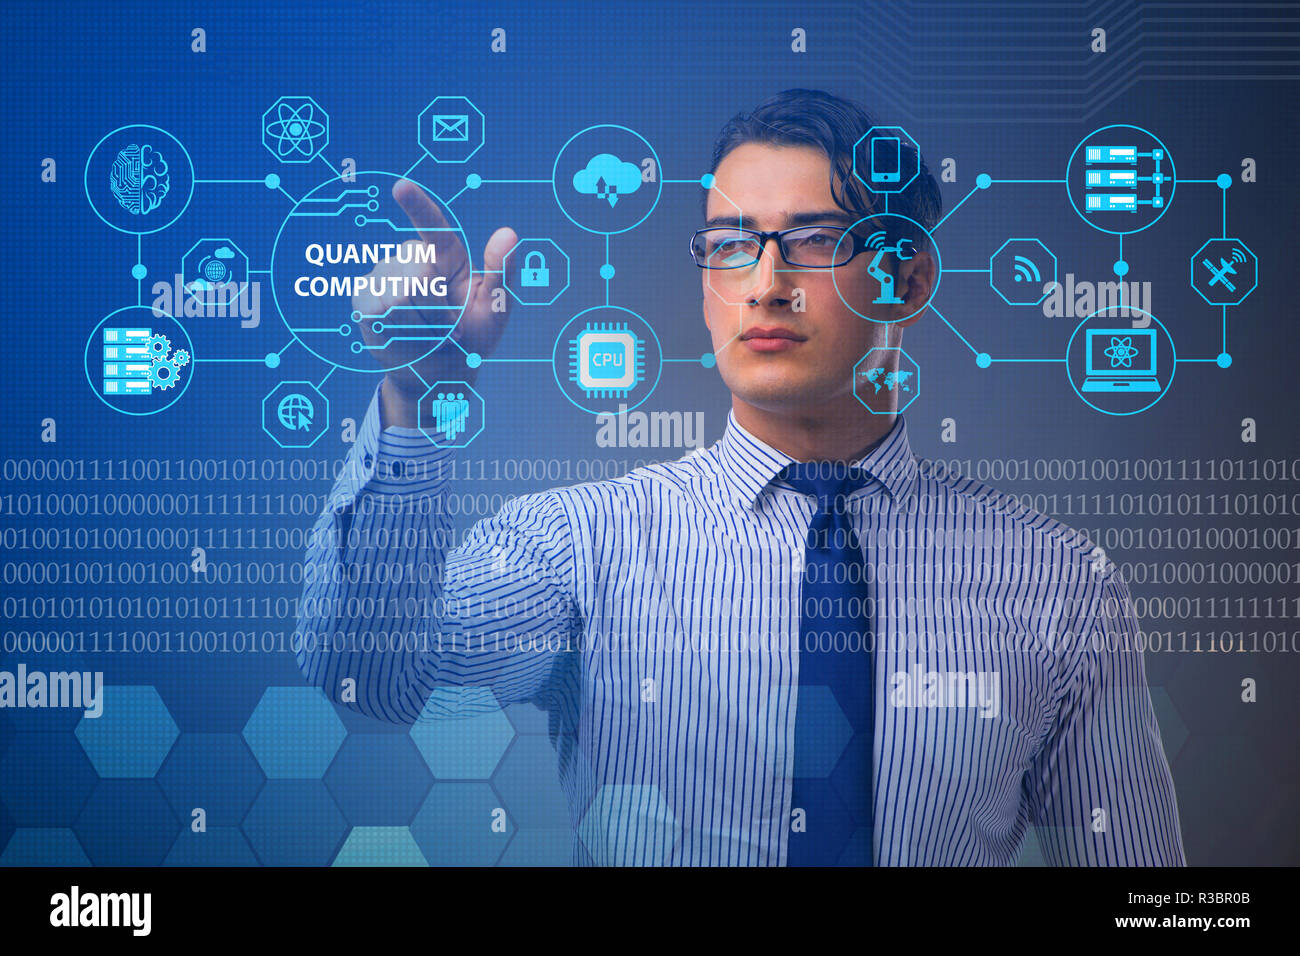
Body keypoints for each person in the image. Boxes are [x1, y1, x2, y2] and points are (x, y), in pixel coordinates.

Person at [296, 88, 1185, 866]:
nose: (765, 284)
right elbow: (368, 674)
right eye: (731, 245)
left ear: (907, 278)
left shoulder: (1058, 584)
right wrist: (413, 388)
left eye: (815, 240)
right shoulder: (580, 547)